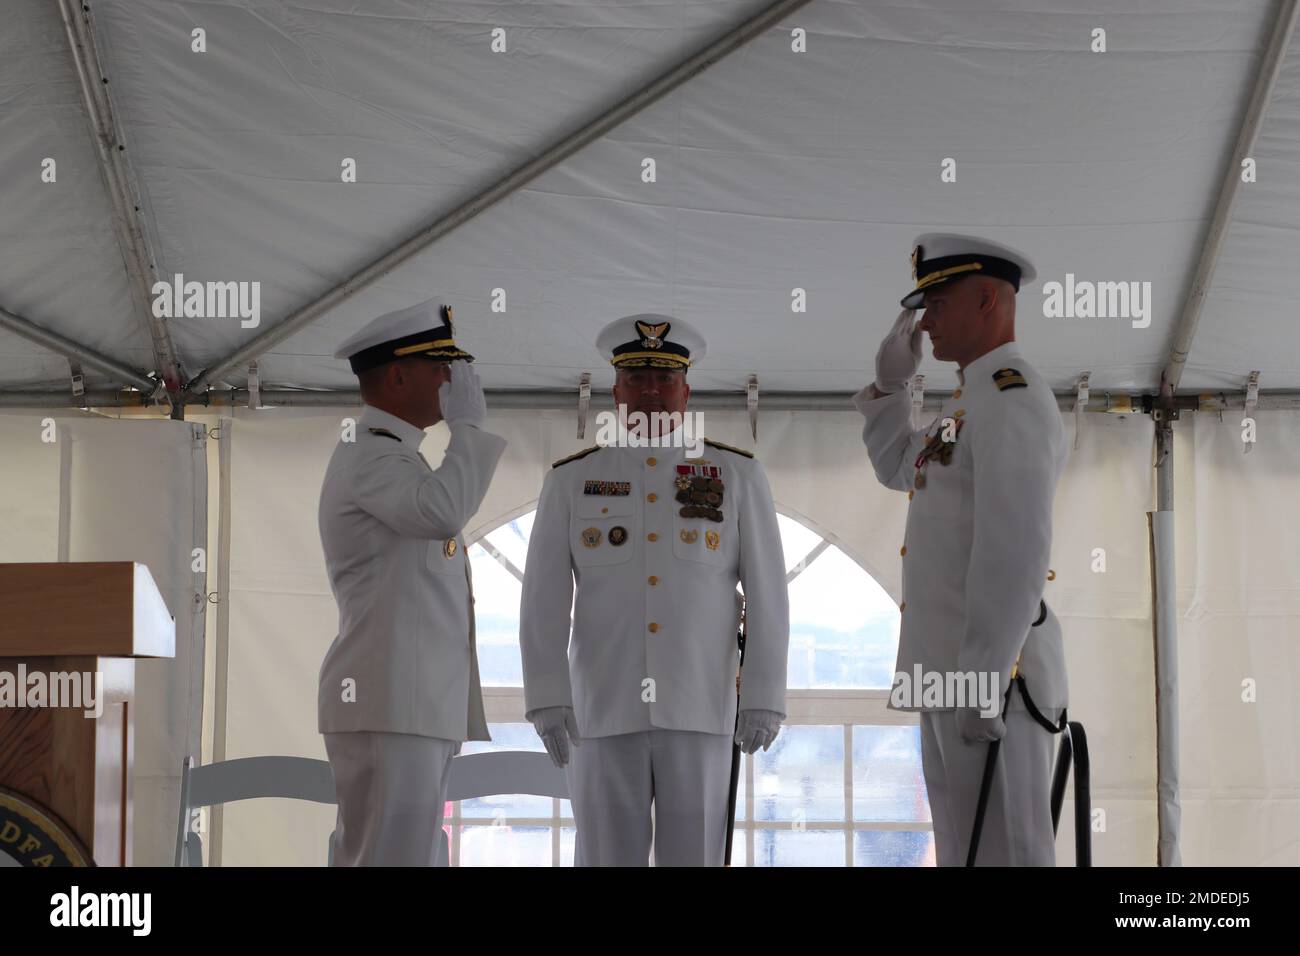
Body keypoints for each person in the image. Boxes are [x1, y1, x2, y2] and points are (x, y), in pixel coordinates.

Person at [520, 314, 789, 865]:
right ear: (614, 390)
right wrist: (546, 695)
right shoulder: (571, 480)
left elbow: (769, 594)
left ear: (686, 391)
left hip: (701, 702)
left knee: (695, 856)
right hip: (602, 703)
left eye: (664, 380)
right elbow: (543, 598)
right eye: (637, 379)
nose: (651, 393)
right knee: (604, 856)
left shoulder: (735, 474)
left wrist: (764, 695)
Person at [854, 235, 1069, 865]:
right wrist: (889, 389)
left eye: (937, 303)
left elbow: (1015, 551)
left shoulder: (1012, 398)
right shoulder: (971, 402)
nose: (925, 323)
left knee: (1006, 852)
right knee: (962, 852)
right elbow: (900, 466)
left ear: (983, 300)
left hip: (994, 676)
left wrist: (982, 676)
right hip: (951, 674)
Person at [317, 297, 506, 866]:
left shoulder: (395, 456)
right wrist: (468, 430)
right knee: (390, 858)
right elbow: (442, 512)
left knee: (407, 856)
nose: (451, 381)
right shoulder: (370, 455)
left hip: (408, 703)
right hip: (390, 701)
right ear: (398, 376)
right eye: (439, 367)